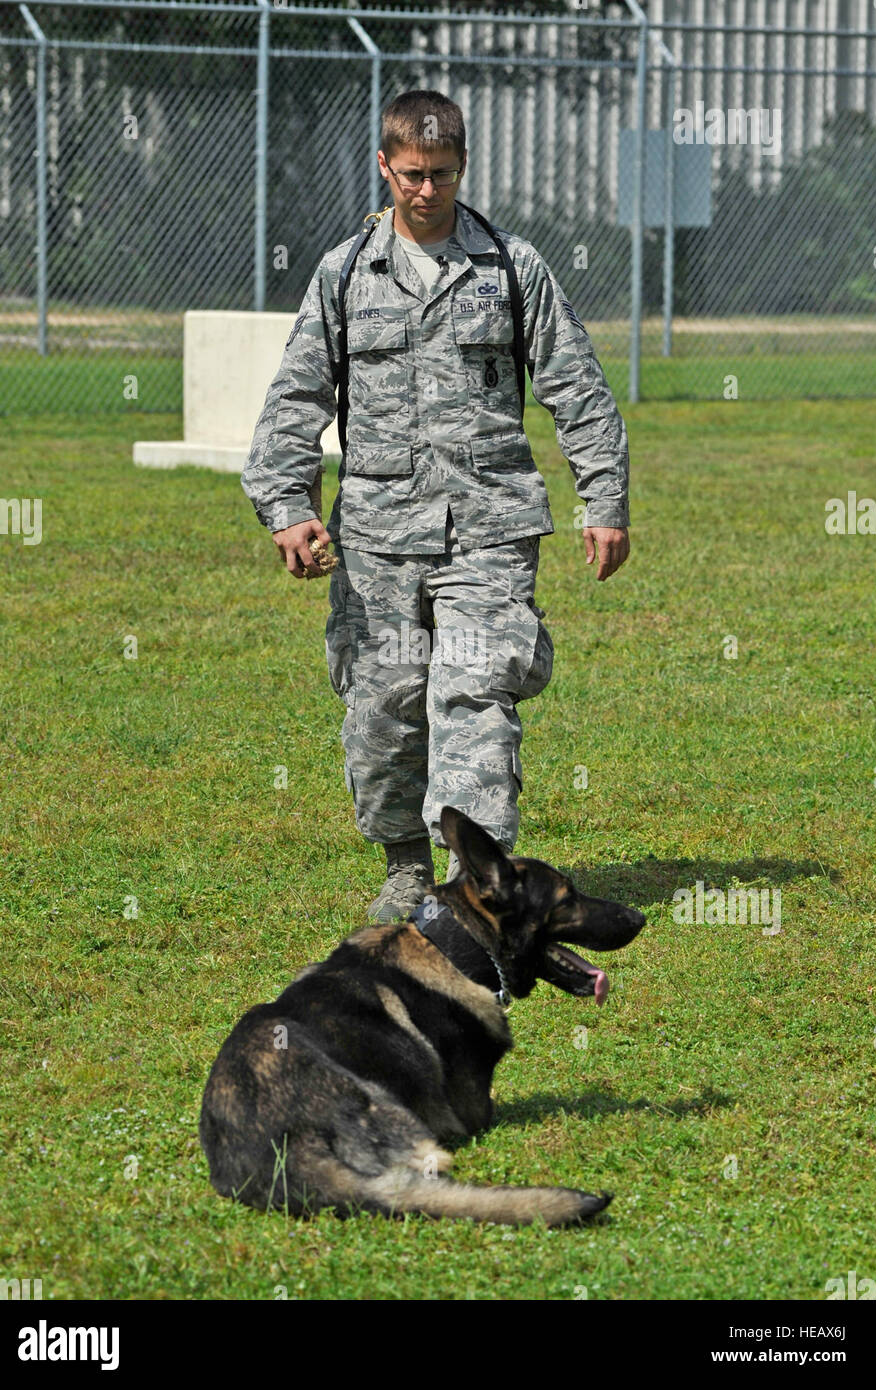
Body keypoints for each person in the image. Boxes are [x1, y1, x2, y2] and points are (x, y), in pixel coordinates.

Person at [242, 89, 630, 922]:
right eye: (412, 174)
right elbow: (296, 398)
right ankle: (403, 863)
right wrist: (287, 505)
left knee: (473, 692)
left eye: (443, 174)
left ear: (463, 167)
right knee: (383, 705)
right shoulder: (346, 272)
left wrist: (605, 497)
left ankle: (474, 888)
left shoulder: (511, 269)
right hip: (379, 539)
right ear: (384, 165)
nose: (427, 190)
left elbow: (578, 387)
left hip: (490, 525)